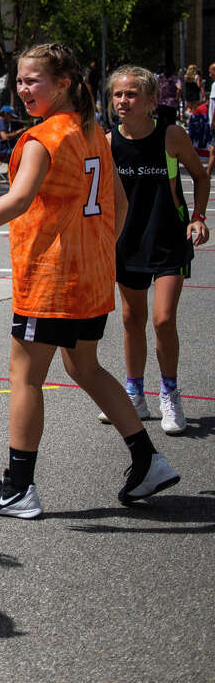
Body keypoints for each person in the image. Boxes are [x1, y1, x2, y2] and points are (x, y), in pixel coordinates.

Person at [0, 43, 180, 518]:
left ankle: (18, 487)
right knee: (85, 368)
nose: (23, 88)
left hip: (53, 282)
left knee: (25, 376)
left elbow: (18, 200)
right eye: (19, 80)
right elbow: (119, 204)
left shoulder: (44, 138)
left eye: (34, 80)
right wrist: (96, 252)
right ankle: (146, 458)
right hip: (89, 280)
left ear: (64, 84)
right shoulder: (94, 133)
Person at [97, 66, 209, 435]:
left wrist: (197, 216)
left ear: (150, 100)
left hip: (167, 239)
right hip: (127, 242)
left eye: (130, 94)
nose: (122, 101)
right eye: (117, 95)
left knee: (162, 319)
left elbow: (201, 174)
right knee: (132, 319)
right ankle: (134, 395)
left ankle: (170, 393)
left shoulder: (171, 136)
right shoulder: (109, 142)